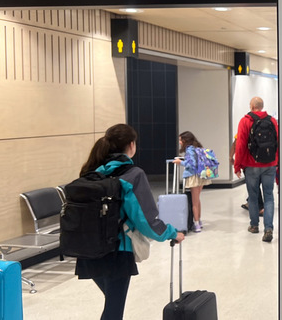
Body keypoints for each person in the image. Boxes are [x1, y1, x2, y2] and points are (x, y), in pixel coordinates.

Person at [75, 124, 185, 320]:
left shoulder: (92, 171)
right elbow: (146, 220)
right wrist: (172, 233)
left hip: (87, 250)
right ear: (131, 145)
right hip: (116, 252)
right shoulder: (133, 175)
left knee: (111, 304)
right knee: (113, 311)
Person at [234, 97, 279, 242]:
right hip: (270, 165)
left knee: (253, 196)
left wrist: (238, 165)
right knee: (269, 197)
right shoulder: (272, 121)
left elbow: (240, 145)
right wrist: (277, 162)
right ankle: (268, 228)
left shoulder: (245, 121)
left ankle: (254, 226)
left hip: (251, 165)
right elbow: (278, 142)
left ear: (252, 106)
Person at [173, 131, 216, 232]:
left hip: (194, 177)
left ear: (185, 140)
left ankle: (196, 224)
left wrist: (180, 162)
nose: (179, 142)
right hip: (202, 175)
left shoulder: (190, 149)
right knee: (197, 200)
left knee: (194, 202)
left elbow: (191, 164)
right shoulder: (198, 147)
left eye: (180, 140)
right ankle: (199, 221)